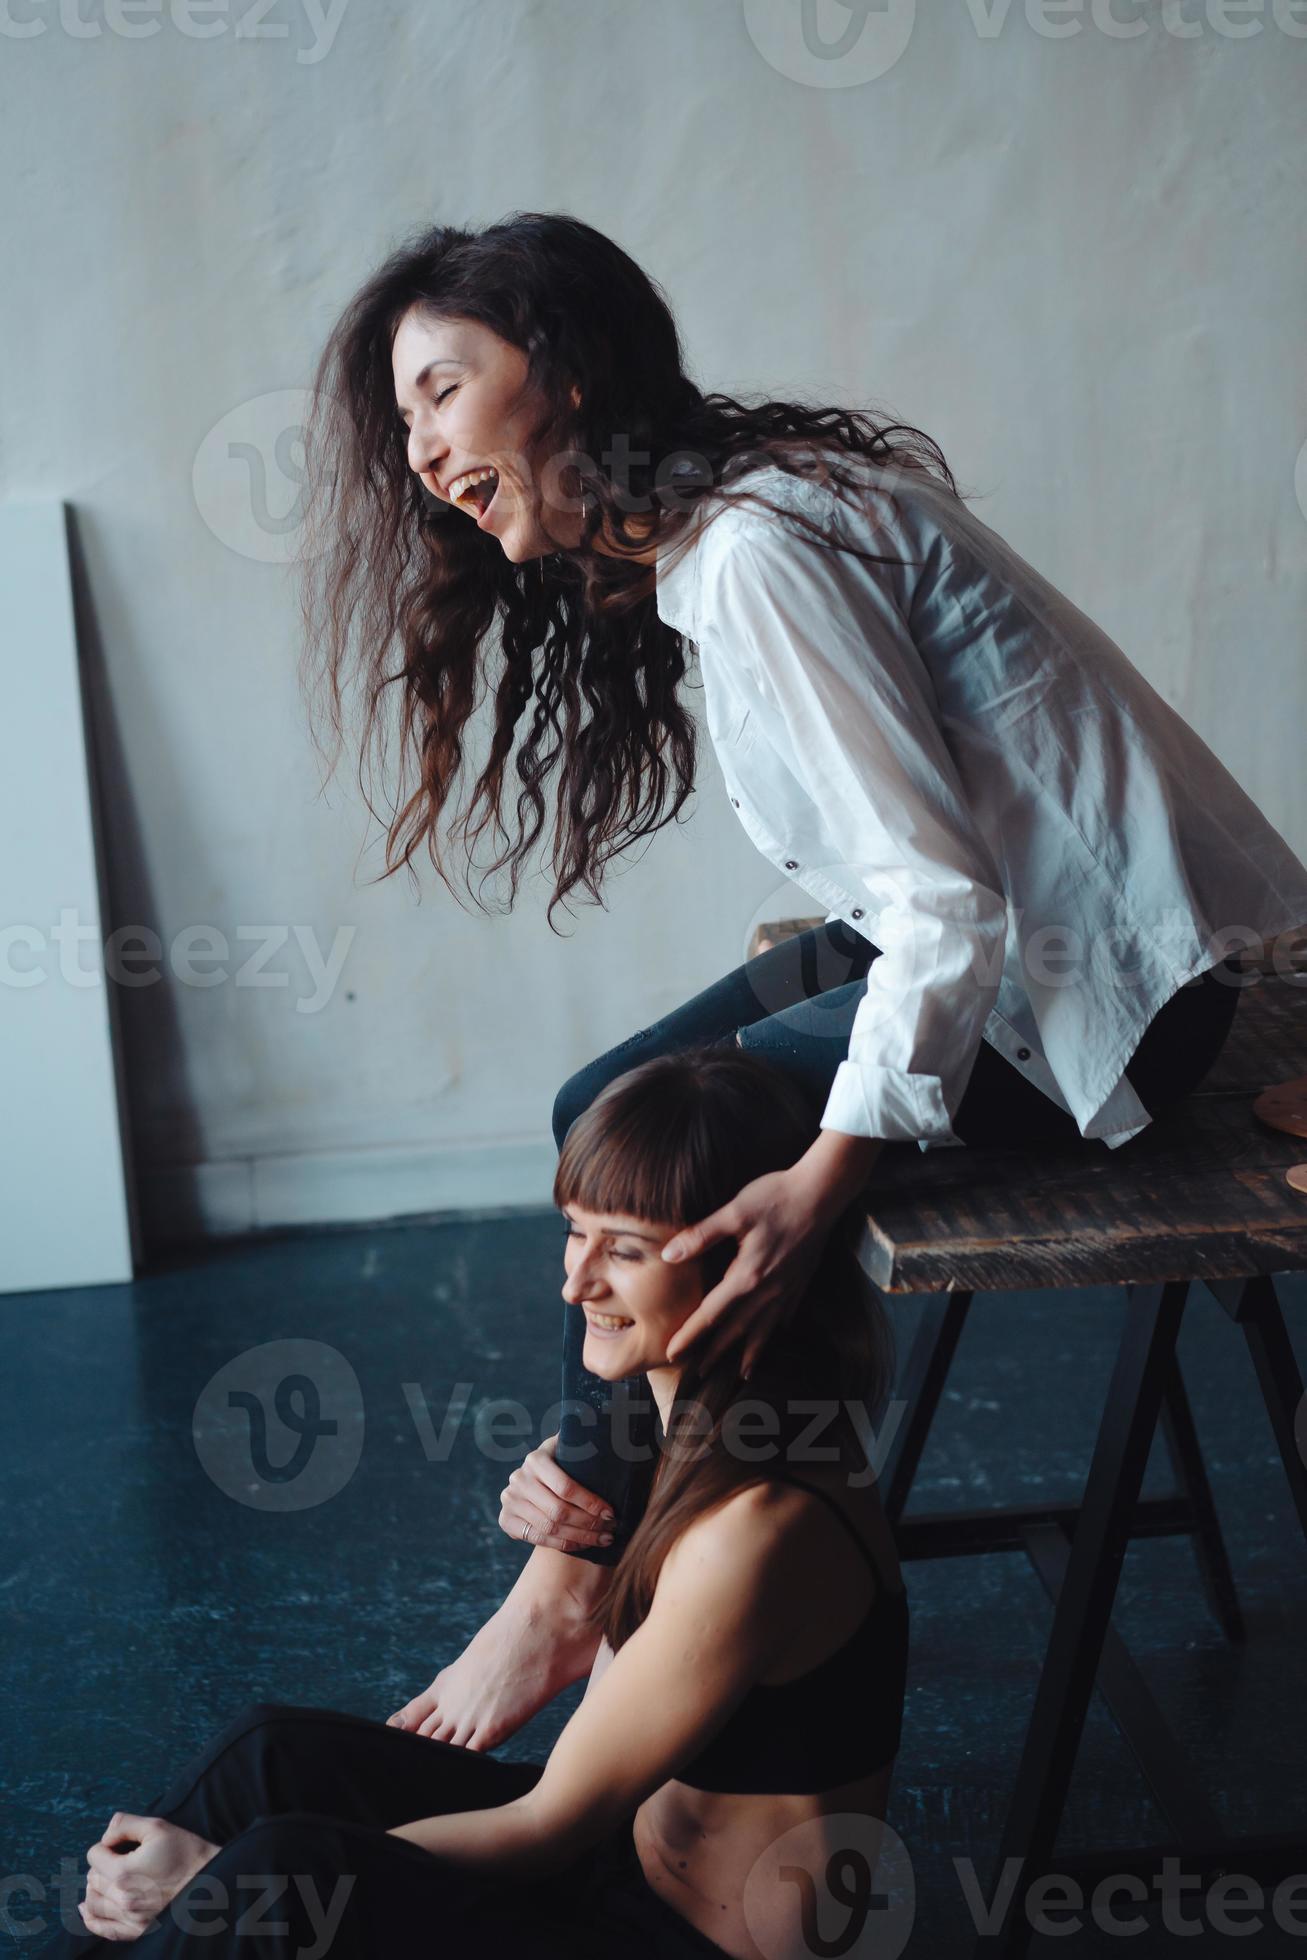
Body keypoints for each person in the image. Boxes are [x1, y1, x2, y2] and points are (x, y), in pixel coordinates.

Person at [293, 209, 1307, 1748]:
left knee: (667, 1159)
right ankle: (599, 1550)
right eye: (404, 416)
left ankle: (574, 1574)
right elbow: (930, 884)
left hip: (1088, 1005)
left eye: (439, 389)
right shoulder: (733, 520)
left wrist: (825, 1175)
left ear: (560, 371)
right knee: (600, 1106)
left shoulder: (756, 554)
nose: (421, 451)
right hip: (1012, 933)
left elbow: (942, 908)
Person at [45, 1051, 908, 1960]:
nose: (576, 1285)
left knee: (271, 1872)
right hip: (619, 1864)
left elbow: (545, 1825)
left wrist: (215, 1883)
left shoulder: (758, 1527)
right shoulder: (673, 1425)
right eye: (574, 1232)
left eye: (625, 1249)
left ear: (747, 1264)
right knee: (268, 1753)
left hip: (675, 1935)